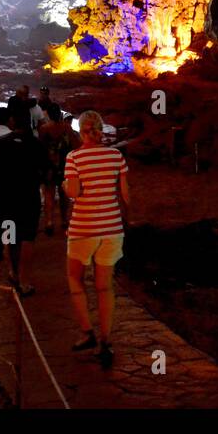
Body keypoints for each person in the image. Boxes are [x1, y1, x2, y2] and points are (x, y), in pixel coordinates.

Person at [63, 110, 130, 369]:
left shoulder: (74, 157)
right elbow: (125, 194)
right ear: (101, 129)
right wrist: (127, 221)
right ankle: (105, 340)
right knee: (105, 287)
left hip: (84, 228)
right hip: (111, 228)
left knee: (75, 278)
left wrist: (65, 187)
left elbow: (74, 191)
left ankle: (87, 332)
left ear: (81, 131)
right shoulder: (115, 156)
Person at [0, 111, 49, 295]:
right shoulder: (37, 144)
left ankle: (12, 271)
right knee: (28, 237)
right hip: (29, 196)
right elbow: (45, 171)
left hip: (6, 197)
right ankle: (25, 280)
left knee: (10, 234)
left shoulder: (1, 143)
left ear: (13, 122)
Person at [38, 114, 79, 235]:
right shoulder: (67, 128)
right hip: (64, 165)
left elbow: (40, 148)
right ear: (60, 115)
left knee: (49, 195)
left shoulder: (44, 128)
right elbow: (76, 145)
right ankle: (64, 220)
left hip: (49, 167)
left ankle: (49, 222)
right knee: (63, 195)